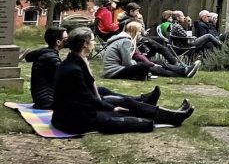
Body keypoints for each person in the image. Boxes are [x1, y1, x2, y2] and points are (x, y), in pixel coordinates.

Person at [52, 28, 194, 135]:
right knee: (133, 119)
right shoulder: (73, 68)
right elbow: (88, 98)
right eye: (93, 40)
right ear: (85, 44)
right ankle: (170, 117)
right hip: (74, 120)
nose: (94, 43)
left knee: (128, 103)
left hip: (80, 112)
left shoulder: (76, 61)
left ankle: (173, 115)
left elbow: (91, 94)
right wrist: (111, 107)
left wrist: (110, 105)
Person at [24, 27, 159, 110]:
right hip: (49, 101)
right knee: (97, 97)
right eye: (66, 39)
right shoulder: (51, 58)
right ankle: (139, 102)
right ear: (58, 42)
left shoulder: (46, 53)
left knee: (101, 91)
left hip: (48, 97)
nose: (69, 41)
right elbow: (71, 82)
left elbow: (30, 56)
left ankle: (139, 99)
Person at [104, 22, 198, 79]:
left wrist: (149, 63)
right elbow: (127, 62)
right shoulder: (125, 41)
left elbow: (133, 57)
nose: (141, 34)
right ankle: (183, 72)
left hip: (115, 69)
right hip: (114, 71)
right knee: (146, 66)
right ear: (135, 32)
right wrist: (141, 64)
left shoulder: (124, 39)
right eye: (140, 32)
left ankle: (183, 71)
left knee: (155, 62)